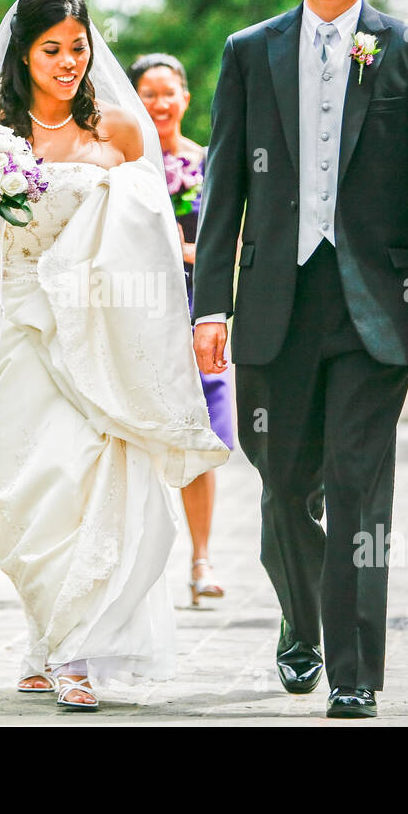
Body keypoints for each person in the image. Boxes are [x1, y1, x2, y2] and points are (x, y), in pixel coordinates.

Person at [0, 0, 228, 712]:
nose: (69, 61)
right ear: (23, 54)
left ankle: (77, 648)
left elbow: (152, 243)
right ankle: (43, 636)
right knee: (28, 485)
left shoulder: (121, 133)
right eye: (52, 49)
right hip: (12, 324)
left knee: (88, 470)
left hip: (98, 330)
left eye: (78, 46)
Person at [192, 0, 408, 719]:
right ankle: (300, 613)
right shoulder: (250, 50)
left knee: (358, 488)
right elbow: (223, 187)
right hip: (274, 303)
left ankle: (353, 673)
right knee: (280, 485)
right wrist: (211, 306)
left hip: (376, 308)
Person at [130, 52, 236, 605]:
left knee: (200, 432)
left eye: (168, 92)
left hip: (198, 314)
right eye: (147, 93)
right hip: (136, 311)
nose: (159, 103)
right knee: (138, 437)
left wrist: (184, 250)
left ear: (186, 99)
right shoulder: (124, 164)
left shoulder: (210, 160)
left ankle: (201, 559)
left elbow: (236, 242)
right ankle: (140, 569)